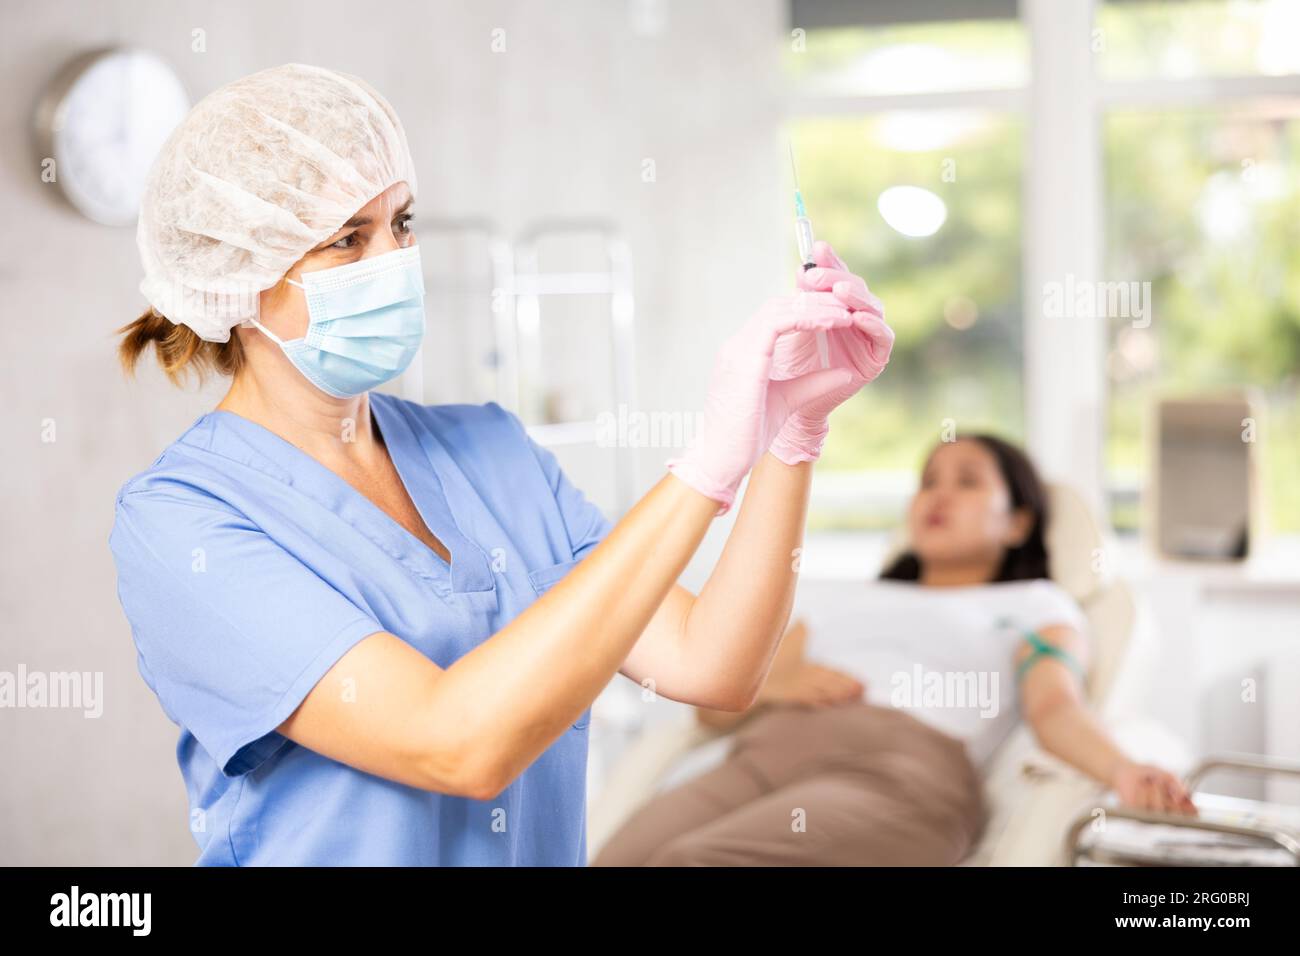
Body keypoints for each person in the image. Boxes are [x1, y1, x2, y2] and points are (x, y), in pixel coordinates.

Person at [108, 62, 894, 865]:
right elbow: (455, 745)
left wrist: (790, 435)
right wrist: (701, 469)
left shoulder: (490, 450)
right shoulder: (182, 522)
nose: (394, 261)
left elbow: (713, 665)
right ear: (241, 276)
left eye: (402, 224)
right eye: (349, 239)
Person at [591, 434, 1198, 866]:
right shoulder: (850, 601)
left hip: (894, 778)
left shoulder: (1039, 604)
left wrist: (1123, 770)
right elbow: (712, 704)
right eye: (929, 481)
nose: (939, 494)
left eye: (967, 482)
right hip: (762, 757)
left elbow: (1057, 710)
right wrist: (773, 687)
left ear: (1017, 522)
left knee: (700, 862)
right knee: (620, 860)